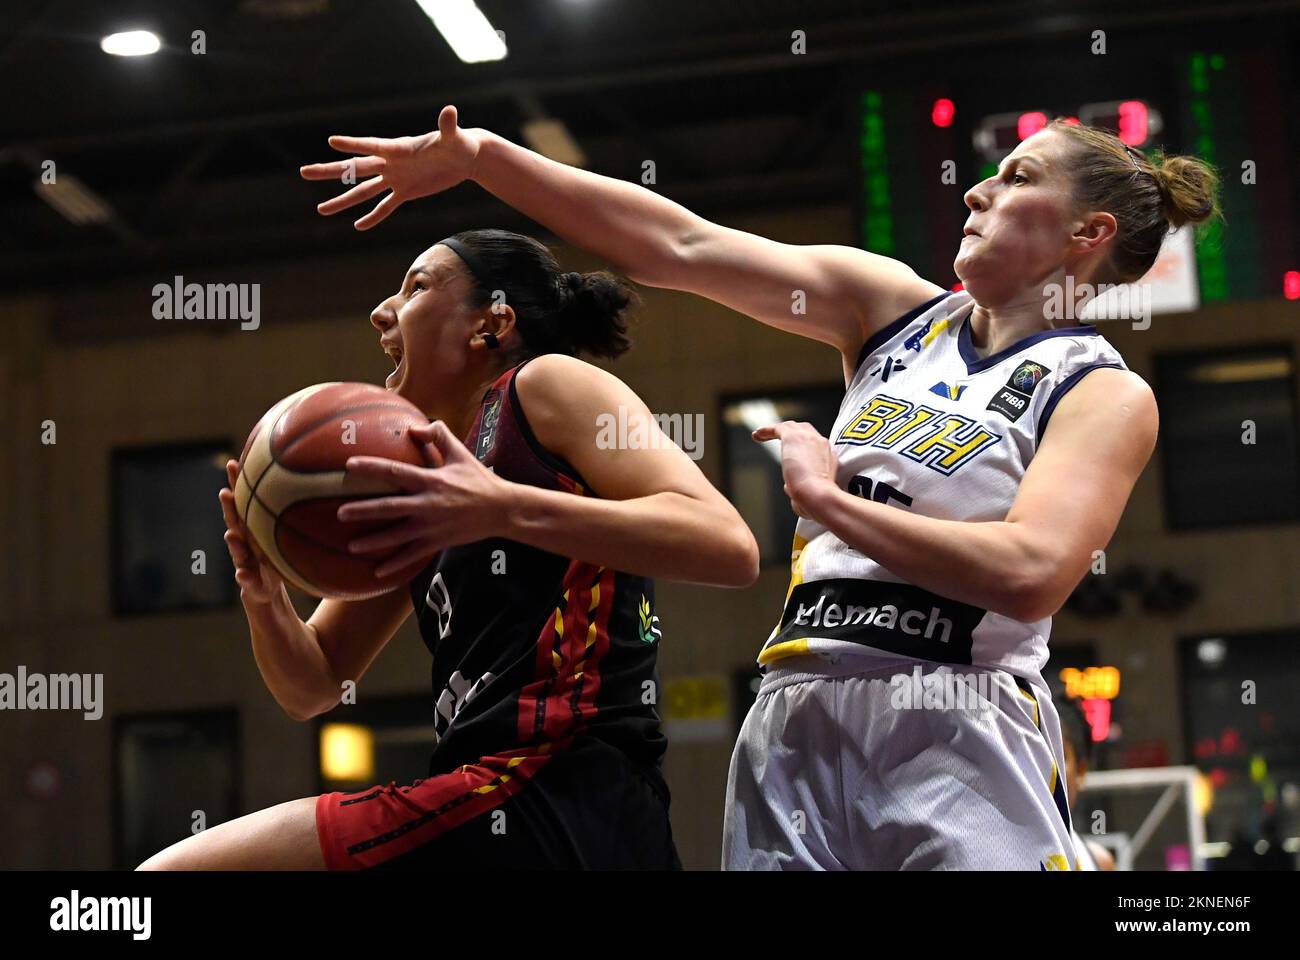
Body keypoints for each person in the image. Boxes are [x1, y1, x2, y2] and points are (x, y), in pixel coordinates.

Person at [297, 107, 1220, 869]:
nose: (979, 190)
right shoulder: (887, 307)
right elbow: (678, 245)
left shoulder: (1101, 390)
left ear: (1087, 235)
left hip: (955, 715)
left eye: (1019, 178)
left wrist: (829, 504)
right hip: (795, 711)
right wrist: (484, 160)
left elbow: (1031, 571)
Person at [138, 228, 759, 869]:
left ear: (492, 322)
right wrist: (264, 595)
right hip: (511, 811)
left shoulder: (547, 387)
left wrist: (501, 506)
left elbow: (727, 544)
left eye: (416, 286)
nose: (382, 312)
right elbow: (314, 681)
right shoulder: (421, 475)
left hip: (554, 790)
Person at [1057, 694, 1116, 870]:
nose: (1049, 768)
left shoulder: (1100, 862)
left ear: (1080, 771)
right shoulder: (993, 852)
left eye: (1059, 755)